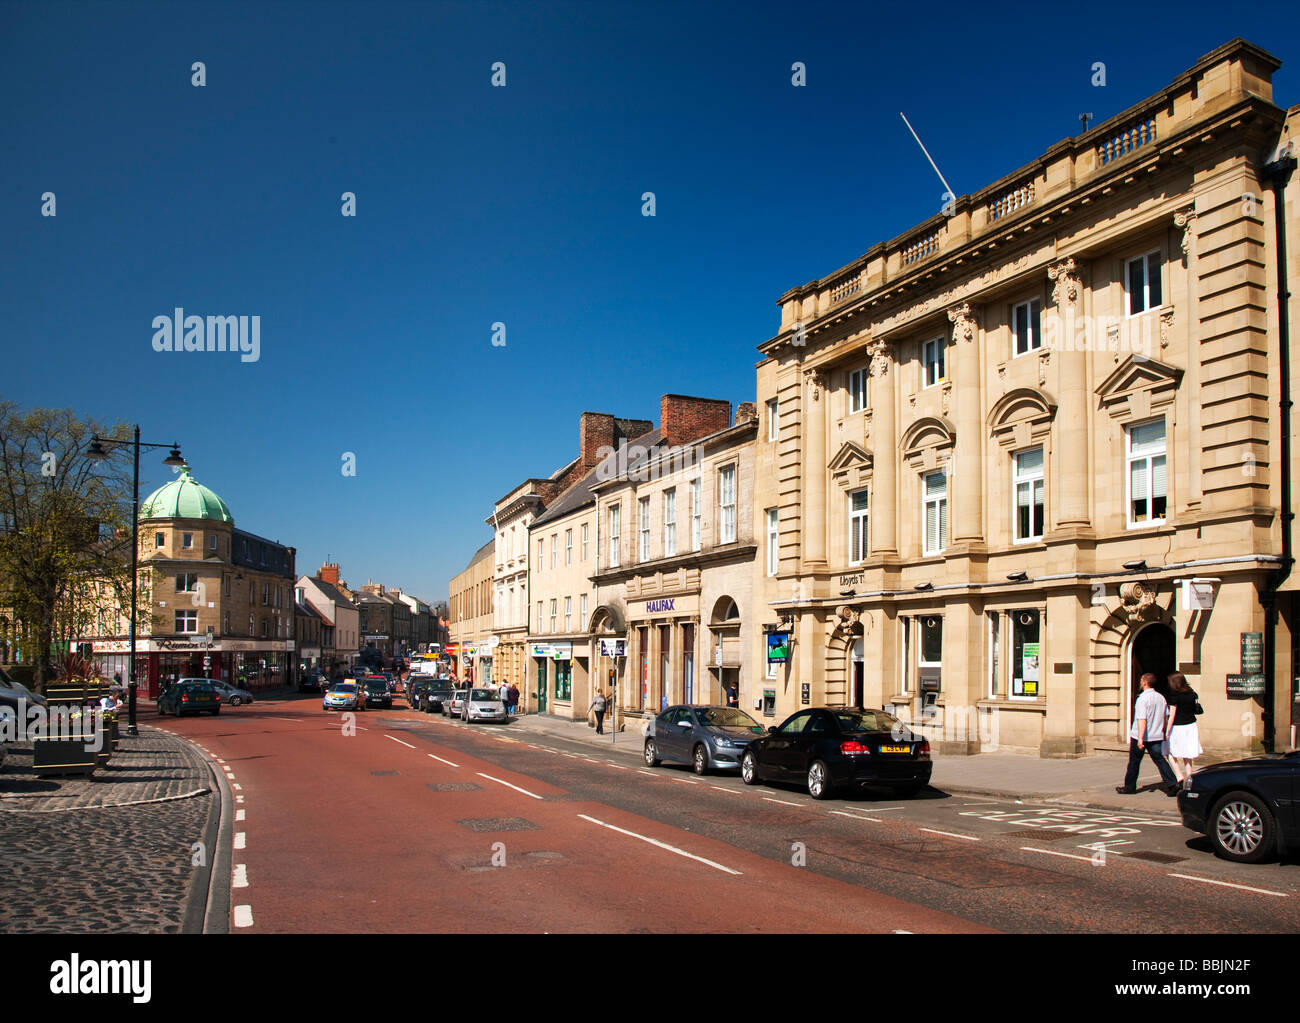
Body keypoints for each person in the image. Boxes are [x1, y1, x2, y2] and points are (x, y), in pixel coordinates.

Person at [1117, 673, 1179, 796]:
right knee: (1160, 760)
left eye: (1141, 680)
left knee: (1134, 762)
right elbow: (1165, 716)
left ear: (1145, 682)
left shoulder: (1142, 699)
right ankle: (1172, 784)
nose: (1140, 682)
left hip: (1141, 736)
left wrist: (1140, 739)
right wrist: (1163, 731)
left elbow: (1142, 719)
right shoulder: (1161, 697)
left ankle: (1129, 787)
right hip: (1156, 735)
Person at [1164, 671, 1203, 788]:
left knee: (1168, 751)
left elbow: (1172, 715)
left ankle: (1179, 776)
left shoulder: (1174, 696)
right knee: (1187, 754)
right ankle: (1190, 777)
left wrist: (1167, 731)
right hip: (1190, 725)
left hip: (1177, 727)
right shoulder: (1192, 693)